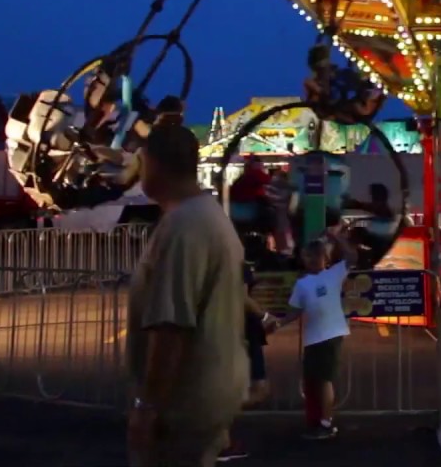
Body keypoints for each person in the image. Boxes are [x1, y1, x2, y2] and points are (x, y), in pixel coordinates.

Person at [126, 124, 249, 467]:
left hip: (184, 402)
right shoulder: (208, 217)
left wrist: (146, 408)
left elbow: (171, 325)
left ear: (155, 163)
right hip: (210, 393)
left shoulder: (184, 226)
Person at [278, 227, 356, 440]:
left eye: (317, 256)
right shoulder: (302, 284)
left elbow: (351, 256)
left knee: (323, 380)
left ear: (325, 258)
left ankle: (326, 423)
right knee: (313, 380)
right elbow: (294, 311)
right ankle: (317, 419)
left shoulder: (333, 274)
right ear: (304, 258)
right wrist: (277, 324)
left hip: (330, 336)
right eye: (309, 256)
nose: (313, 260)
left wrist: (335, 237)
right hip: (313, 338)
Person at [218, 263, 279, 463]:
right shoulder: (237, 264)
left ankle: (219, 436)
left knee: (229, 387)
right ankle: (212, 419)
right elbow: (242, 297)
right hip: (244, 332)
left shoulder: (214, 265)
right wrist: (265, 316)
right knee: (258, 388)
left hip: (226, 330)